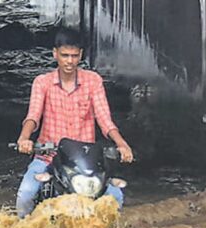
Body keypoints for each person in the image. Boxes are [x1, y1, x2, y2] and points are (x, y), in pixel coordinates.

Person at [14, 27, 135, 218]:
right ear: (55, 54)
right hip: (49, 156)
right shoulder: (42, 82)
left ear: (81, 55)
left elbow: (105, 120)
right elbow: (33, 117)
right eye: (64, 55)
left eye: (74, 56)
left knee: (115, 198)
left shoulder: (93, 81)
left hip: (85, 161)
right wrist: (24, 138)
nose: (69, 61)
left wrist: (122, 144)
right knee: (25, 195)